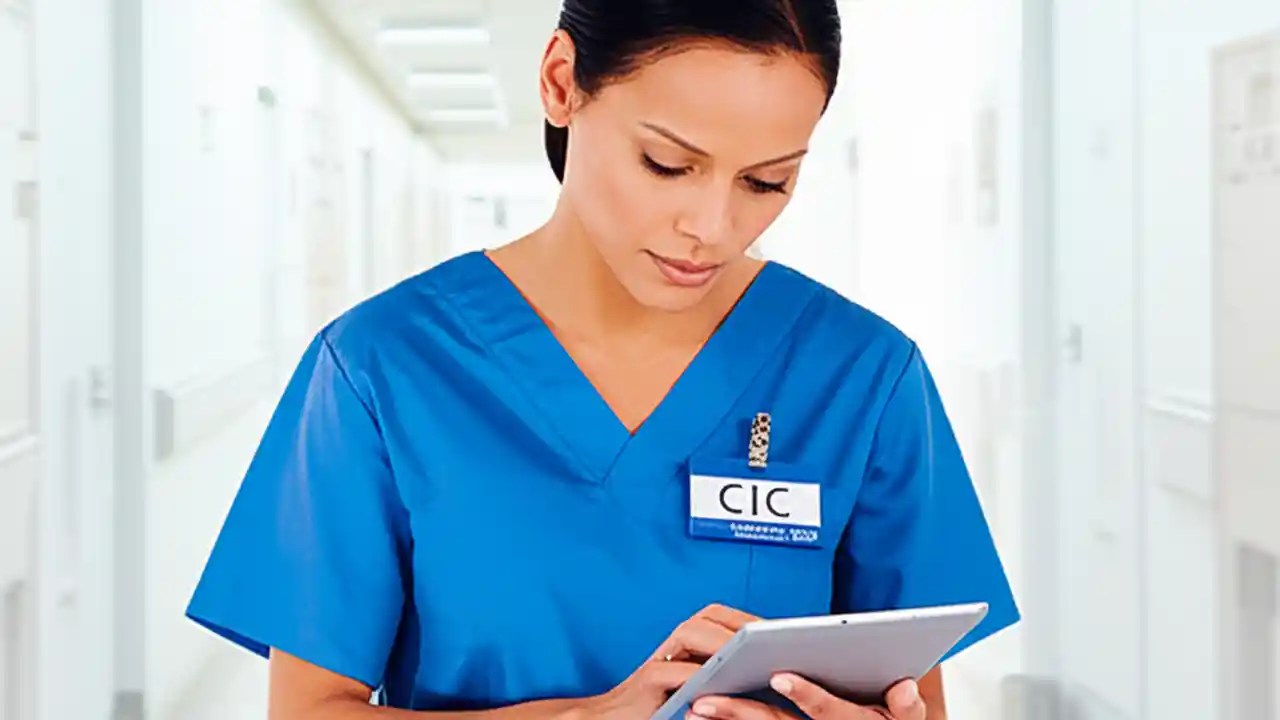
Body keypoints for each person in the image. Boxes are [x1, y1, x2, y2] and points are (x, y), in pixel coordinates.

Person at [187, 1, 1020, 718]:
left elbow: (917, 700)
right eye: (667, 163)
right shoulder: (380, 370)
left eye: (766, 182)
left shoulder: (863, 378)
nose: (711, 226)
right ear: (561, 82)